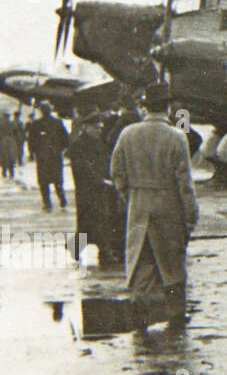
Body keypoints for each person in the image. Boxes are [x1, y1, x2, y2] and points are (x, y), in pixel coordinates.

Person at [110, 83, 198, 329]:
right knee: (172, 260)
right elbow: (185, 183)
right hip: (168, 205)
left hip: (139, 203)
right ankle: (177, 313)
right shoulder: (177, 136)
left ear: (145, 107)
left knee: (141, 258)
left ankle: (139, 309)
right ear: (168, 108)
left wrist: (132, 195)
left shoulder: (128, 133)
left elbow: (116, 172)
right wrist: (190, 215)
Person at [67, 109, 112, 260]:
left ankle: (104, 251)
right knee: (89, 221)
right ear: (86, 127)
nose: (99, 130)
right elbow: (82, 168)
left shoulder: (99, 143)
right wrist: (99, 180)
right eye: (96, 128)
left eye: (100, 128)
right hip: (87, 189)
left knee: (102, 219)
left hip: (101, 188)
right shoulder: (78, 145)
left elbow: (105, 163)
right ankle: (77, 246)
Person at [30, 102, 69, 211]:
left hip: (42, 157)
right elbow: (65, 139)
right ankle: (62, 201)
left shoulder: (36, 124)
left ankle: (47, 203)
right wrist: (60, 149)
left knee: (43, 181)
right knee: (58, 181)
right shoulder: (58, 122)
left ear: (41, 111)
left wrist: (33, 152)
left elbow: (31, 140)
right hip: (55, 156)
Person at [0, 111, 19, 181]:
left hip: (2, 140)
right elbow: (16, 132)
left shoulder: (0, 124)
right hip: (11, 140)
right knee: (11, 156)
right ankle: (11, 172)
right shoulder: (12, 123)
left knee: (3, 156)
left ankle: (4, 172)